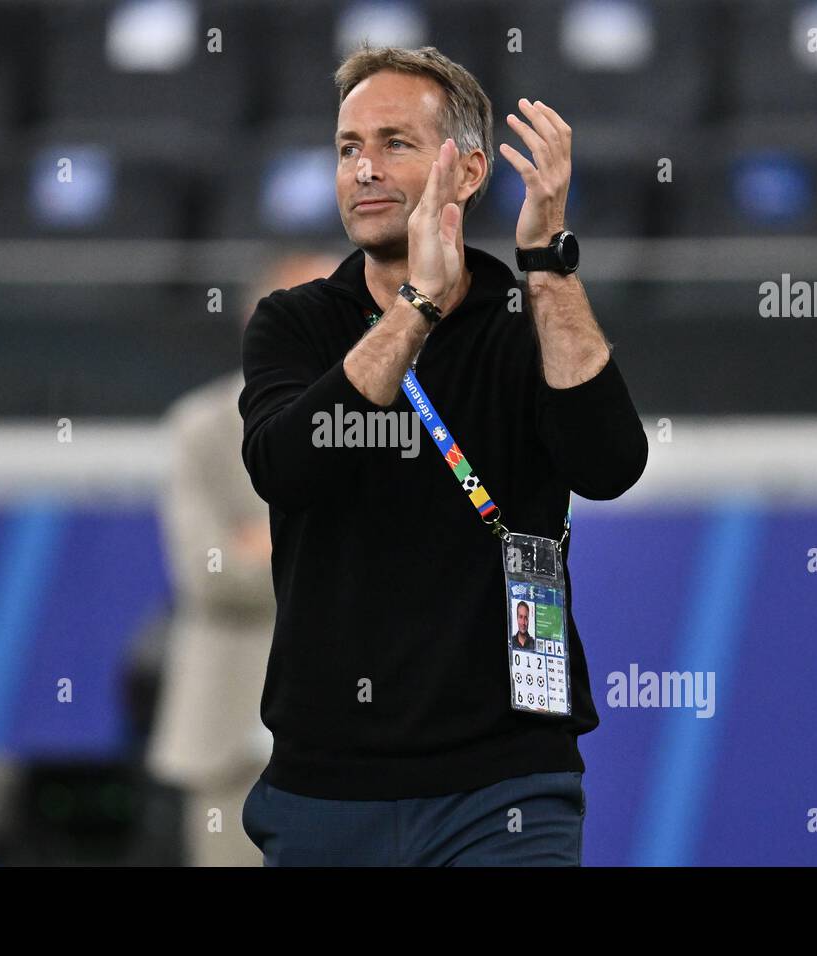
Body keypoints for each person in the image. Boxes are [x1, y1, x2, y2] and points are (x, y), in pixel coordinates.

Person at [238, 46, 647, 866]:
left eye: (395, 143)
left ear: (464, 173)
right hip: (328, 788)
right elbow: (285, 465)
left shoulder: (526, 318)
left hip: (506, 786)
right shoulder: (294, 323)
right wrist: (415, 308)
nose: (363, 169)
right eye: (349, 147)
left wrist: (546, 267)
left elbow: (610, 466)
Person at [149, 253, 341, 867]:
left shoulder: (396, 423)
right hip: (228, 744)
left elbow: (396, 575)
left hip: (355, 741)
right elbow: (210, 575)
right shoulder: (198, 427)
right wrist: (321, 542)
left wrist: (264, 539)